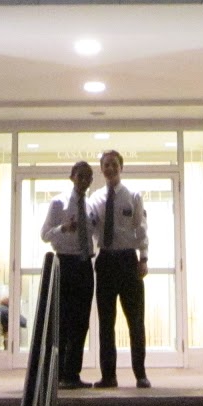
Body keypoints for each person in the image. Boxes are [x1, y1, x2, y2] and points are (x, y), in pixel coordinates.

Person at [88, 149, 149, 388]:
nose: (110, 169)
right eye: (106, 165)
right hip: (106, 262)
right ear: (101, 169)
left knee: (135, 320)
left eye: (114, 164)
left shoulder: (133, 195)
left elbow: (141, 228)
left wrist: (143, 258)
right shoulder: (95, 198)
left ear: (121, 167)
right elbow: (91, 226)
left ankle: (140, 374)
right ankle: (108, 376)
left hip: (127, 261)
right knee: (106, 322)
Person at [40, 159, 96, 388]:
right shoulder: (59, 203)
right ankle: (58, 374)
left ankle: (73, 374)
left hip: (85, 265)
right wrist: (63, 228)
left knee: (81, 321)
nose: (83, 180)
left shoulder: (91, 205)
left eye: (88, 176)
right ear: (72, 177)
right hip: (65, 264)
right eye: (80, 175)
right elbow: (44, 234)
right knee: (62, 320)